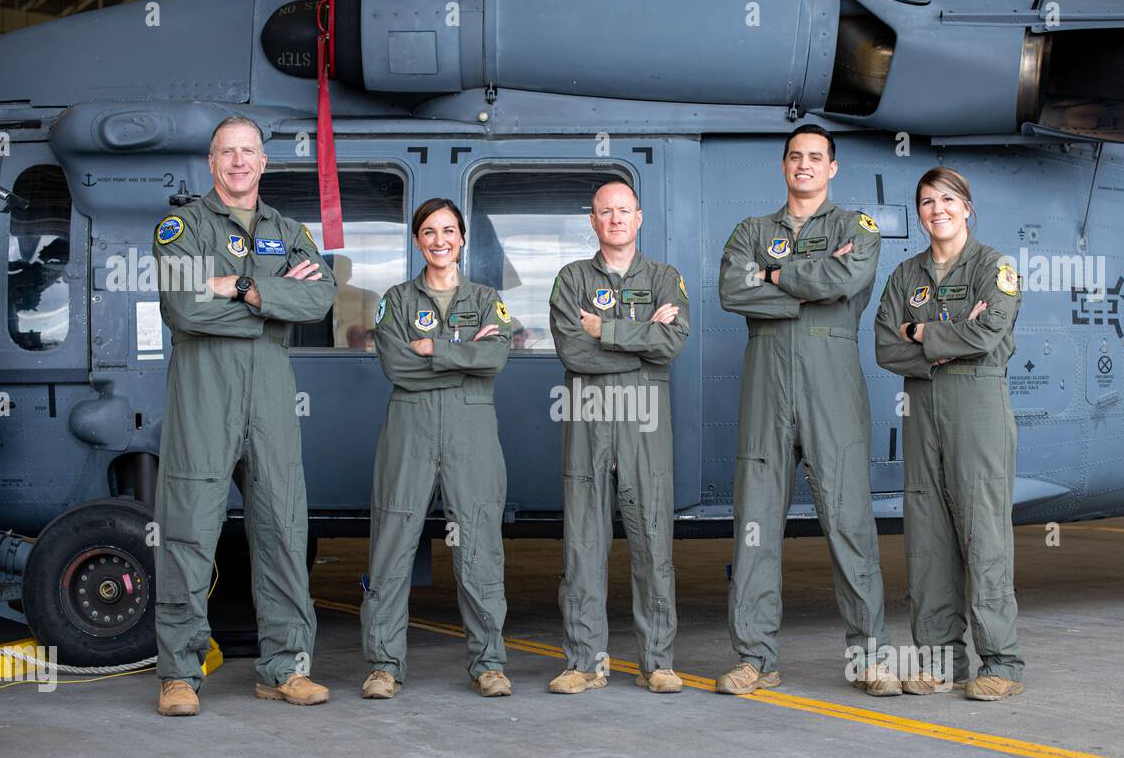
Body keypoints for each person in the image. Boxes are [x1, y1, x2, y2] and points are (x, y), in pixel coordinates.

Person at [152, 115, 335, 716]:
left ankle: (285, 668)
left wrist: (242, 286)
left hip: (271, 398)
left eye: (248, 152)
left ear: (264, 162)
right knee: (188, 532)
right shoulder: (181, 228)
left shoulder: (290, 230)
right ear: (212, 164)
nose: (238, 162)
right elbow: (184, 308)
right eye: (226, 153)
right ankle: (179, 674)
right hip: (203, 394)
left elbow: (320, 297)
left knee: (283, 529)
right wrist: (273, 302)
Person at [716, 124, 901, 697]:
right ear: (783, 165)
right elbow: (732, 289)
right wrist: (809, 285)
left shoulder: (856, 228)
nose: (804, 165)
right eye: (795, 156)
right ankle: (755, 658)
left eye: (815, 157)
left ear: (832, 168)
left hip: (832, 386)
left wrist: (774, 276)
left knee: (849, 521)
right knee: (755, 524)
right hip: (766, 385)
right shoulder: (752, 230)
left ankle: (870, 657)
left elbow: (851, 277)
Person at [873, 166, 1024, 700]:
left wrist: (921, 333)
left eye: (947, 199)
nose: (937, 209)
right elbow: (886, 348)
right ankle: (943, 661)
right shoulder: (905, 276)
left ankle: (1002, 662)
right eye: (927, 201)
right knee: (929, 538)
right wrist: (941, 338)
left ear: (967, 206)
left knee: (983, 535)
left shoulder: (995, 267)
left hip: (976, 407)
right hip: (921, 411)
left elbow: (986, 335)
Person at [360, 198, 514, 699]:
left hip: (473, 431)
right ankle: (384, 665)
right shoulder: (397, 301)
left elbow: (495, 359)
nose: (440, 240)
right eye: (429, 231)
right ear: (417, 240)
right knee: (392, 542)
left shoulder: (489, 299)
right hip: (411, 427)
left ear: (463, 238)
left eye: (449, 230)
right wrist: (463, 352)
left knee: (480, 546)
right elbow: (395, 366)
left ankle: (489, 663)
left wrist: (434, 348)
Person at [547, 181, 690, 694]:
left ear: (640, 217)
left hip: (645, 417)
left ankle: (658, 662)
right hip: (588, 415)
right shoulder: (570, 280)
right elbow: (572, 353)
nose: (614, 219)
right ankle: (584, 662)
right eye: (605, 212)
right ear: (592, 220)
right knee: (584, 542)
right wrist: (641, 335)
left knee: (653, 539)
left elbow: (671, 346)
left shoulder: (665, 278)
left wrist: (603, 330)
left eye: (623, 211)